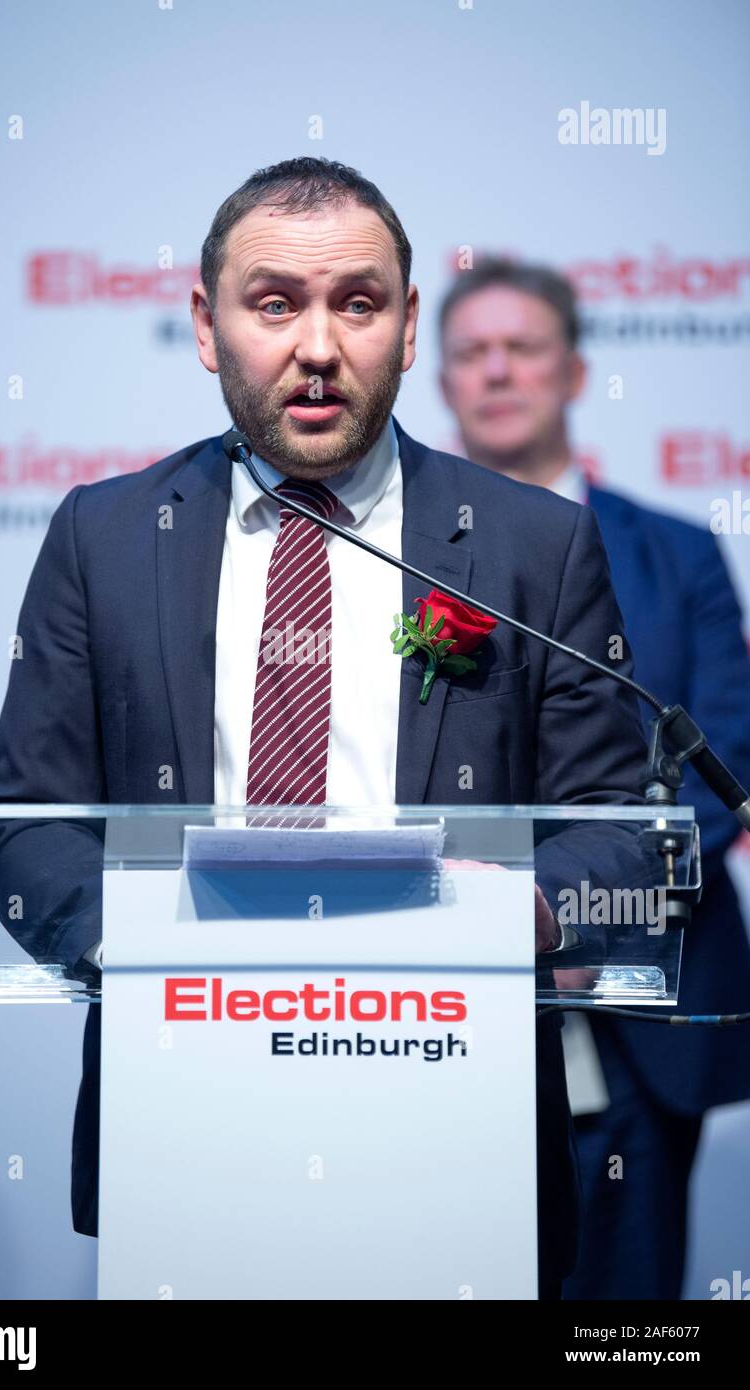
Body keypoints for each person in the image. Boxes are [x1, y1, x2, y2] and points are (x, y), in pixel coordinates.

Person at [0, 158, 651, 1299]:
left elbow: (622, 838)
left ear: (409, 323)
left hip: (458, 1128)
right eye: (275, 302)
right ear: (205, 324)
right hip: (181, 1118)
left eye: (359, 303)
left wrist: (502, 914)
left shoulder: (534, 545)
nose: (319, 345)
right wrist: (154, 945)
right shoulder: (104, 536)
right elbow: (23, 822)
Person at [438, 255, 750, 1300]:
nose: (497, 372)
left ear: (572, 371)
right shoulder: (398, 554)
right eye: (471, 353)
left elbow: (722, 761)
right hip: (441, 1003)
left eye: (521, 347)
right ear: (440, 383)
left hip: (644, 1000)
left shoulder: (674, 553)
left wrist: (588, 913)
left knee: (626, 1304)